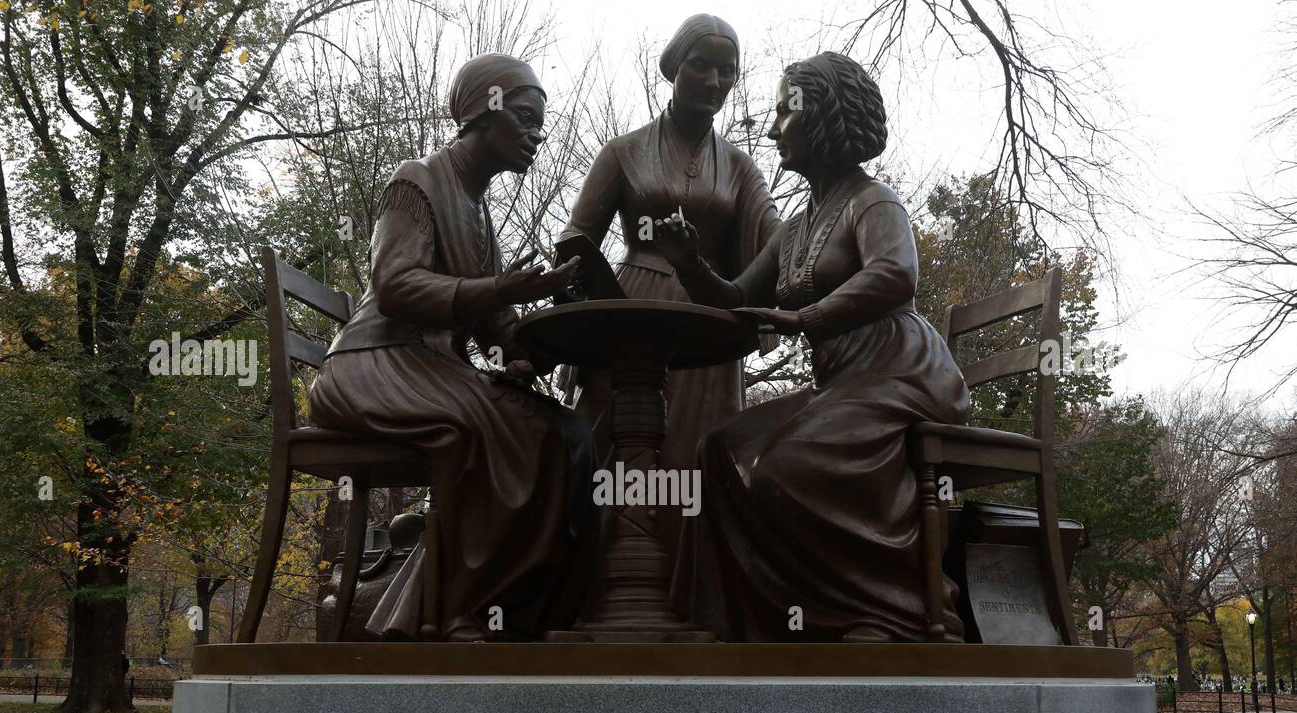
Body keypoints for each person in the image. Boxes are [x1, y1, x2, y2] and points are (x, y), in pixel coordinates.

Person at [654, 52, 970, 642]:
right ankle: (751, 623)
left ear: (822, 117)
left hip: (901, 374)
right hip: (844, 385)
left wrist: (807, 316)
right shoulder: (796, 229)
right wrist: (690, 266)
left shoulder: (874, 201)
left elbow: (897, 273)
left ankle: (887, 611)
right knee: (719, 450)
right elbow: (735, 297)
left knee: (783, 466)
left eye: (784, 113)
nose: (772, 128)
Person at [308, 54, 595, 641]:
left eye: (541, 120)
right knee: (481, 426)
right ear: (481, 113)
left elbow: (496, 324)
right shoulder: (417, 181)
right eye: (524, 116)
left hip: (430, 368)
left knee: (559, 432)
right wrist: (499, 288)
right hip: (373, 362)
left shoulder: (480, 214)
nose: (536, 133)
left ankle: (515, 607)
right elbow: (396, 284)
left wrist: (553, 323)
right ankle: (446, 614)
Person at [558, 13, 779, 560]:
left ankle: (690, 588)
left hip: (707, 323)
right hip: (628, 311)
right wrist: (583, 308)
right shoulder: (623, 152)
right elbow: (575, 243)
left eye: (726, 72)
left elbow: (778, 243)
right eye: (700, 66)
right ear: (674, 67)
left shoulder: (742, 169)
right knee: (610, 444)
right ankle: (602, 580)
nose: (712, 81)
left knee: (699, 454)